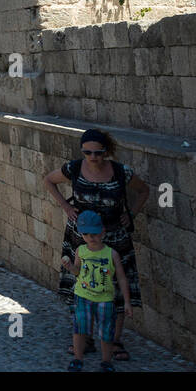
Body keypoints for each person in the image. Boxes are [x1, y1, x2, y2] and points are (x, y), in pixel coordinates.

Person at [42, 128, 148, 362]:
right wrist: (67, 208)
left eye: (97, 153)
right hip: (80, 239)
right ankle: (86, 338)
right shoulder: (74, 168)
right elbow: (49, 181)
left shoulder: (121, 172)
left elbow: (143, 191)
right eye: (87, 152)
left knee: (116, 291)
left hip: (115, 239)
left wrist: (132, 215)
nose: (92, 157)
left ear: (106, 152)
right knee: (82, 286)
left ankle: (115, 341)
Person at [63, 210, 131, 372]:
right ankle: (78, 359)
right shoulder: (81, 250)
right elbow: (78, 271)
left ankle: (106, 361)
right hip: (82, 296)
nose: (90, 238)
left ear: (102, 231)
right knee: (79, 329)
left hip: (105, 298)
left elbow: (121, 278)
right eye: (86, 234)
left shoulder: (111, 254)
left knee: (106, 331)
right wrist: (70, 267)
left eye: (94, 234)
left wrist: (127, 302)